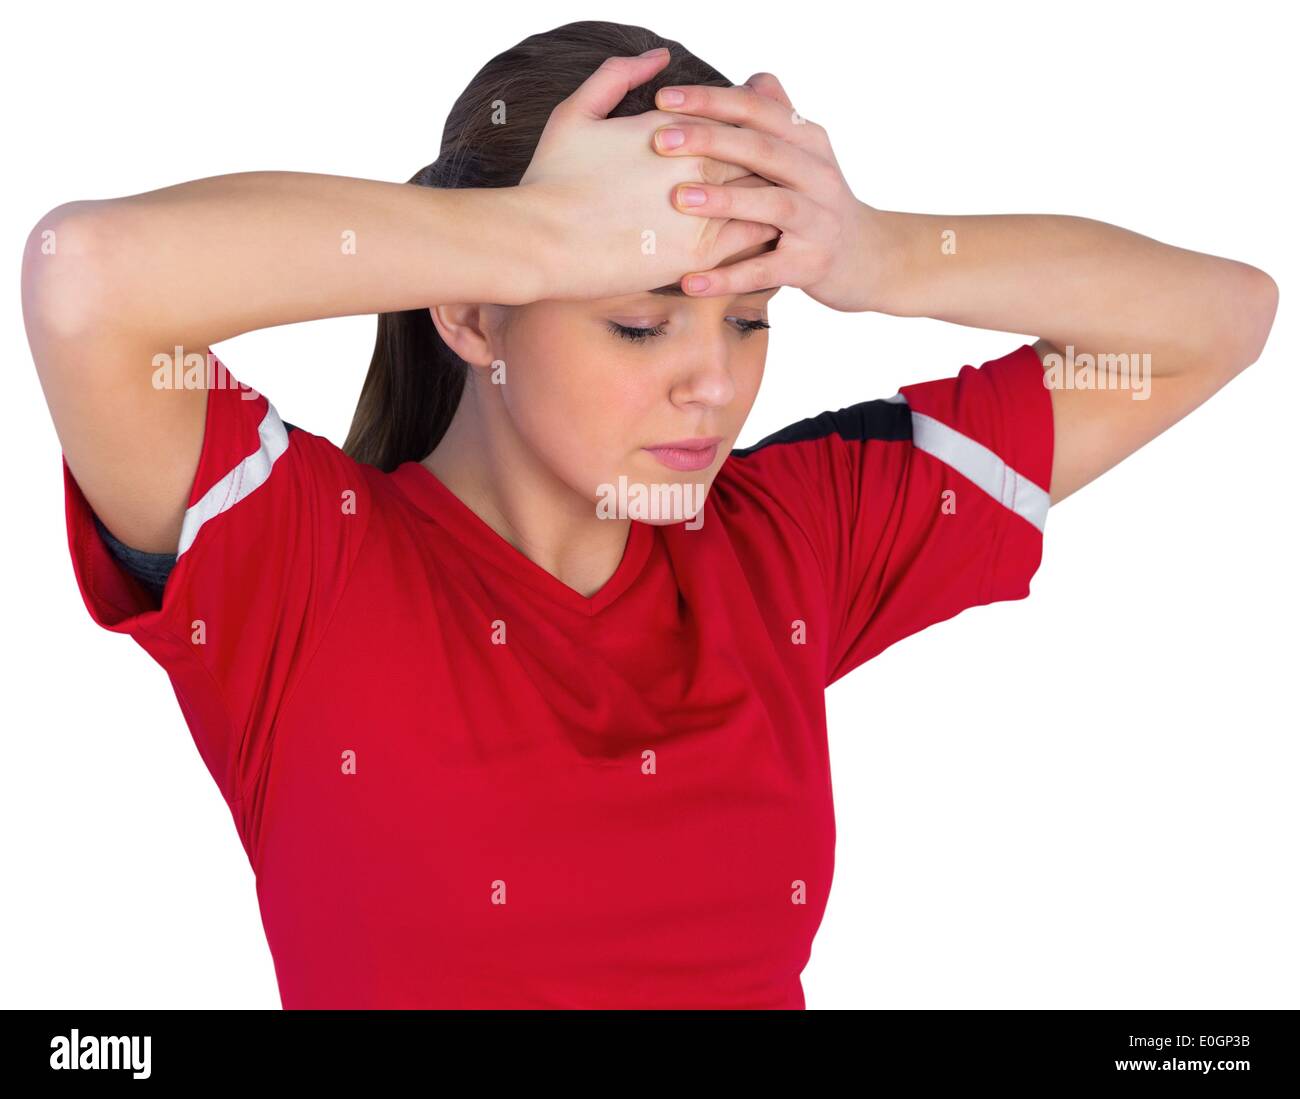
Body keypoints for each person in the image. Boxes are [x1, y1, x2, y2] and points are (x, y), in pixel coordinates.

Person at [21, 21, 1277, 1009]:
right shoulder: (292, 566)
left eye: (748, 317)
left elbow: (1214, 321)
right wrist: (520, 236)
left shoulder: (790, 541)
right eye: (637, 316)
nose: (713, 382)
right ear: (470, 313)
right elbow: (86, 278)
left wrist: (878, 255)